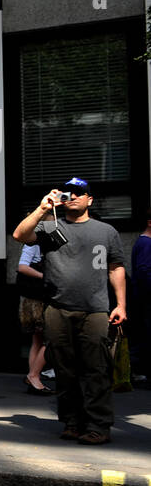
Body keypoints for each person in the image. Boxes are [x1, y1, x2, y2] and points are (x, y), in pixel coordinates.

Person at [11, 177, 126, 445]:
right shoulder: (52, 228)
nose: (72, 197)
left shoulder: (106, 231)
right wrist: (42, 208)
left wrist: (121, 304)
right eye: (68, 193)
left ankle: (98, 425)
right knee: (65, 370)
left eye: (79, 193)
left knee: (96, 369)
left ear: (89, 199)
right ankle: (73, 422)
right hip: (57, 309)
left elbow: (116, 268)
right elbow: (19, 235)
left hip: (95, 310)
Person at [17, 240, 53, 395]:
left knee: (37, 340)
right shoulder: (33, 244)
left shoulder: (41, 243)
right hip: (37, 299)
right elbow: (22, 267)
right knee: (52, 338)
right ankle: (33, 375)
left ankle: (32, 377)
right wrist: (44, 276)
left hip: (35, 297)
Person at [128, 208, 151, 383]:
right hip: (146, 299)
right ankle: (133, 370)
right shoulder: (146, 244)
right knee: (145, 338)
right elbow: (144, 272)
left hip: (143, 298)